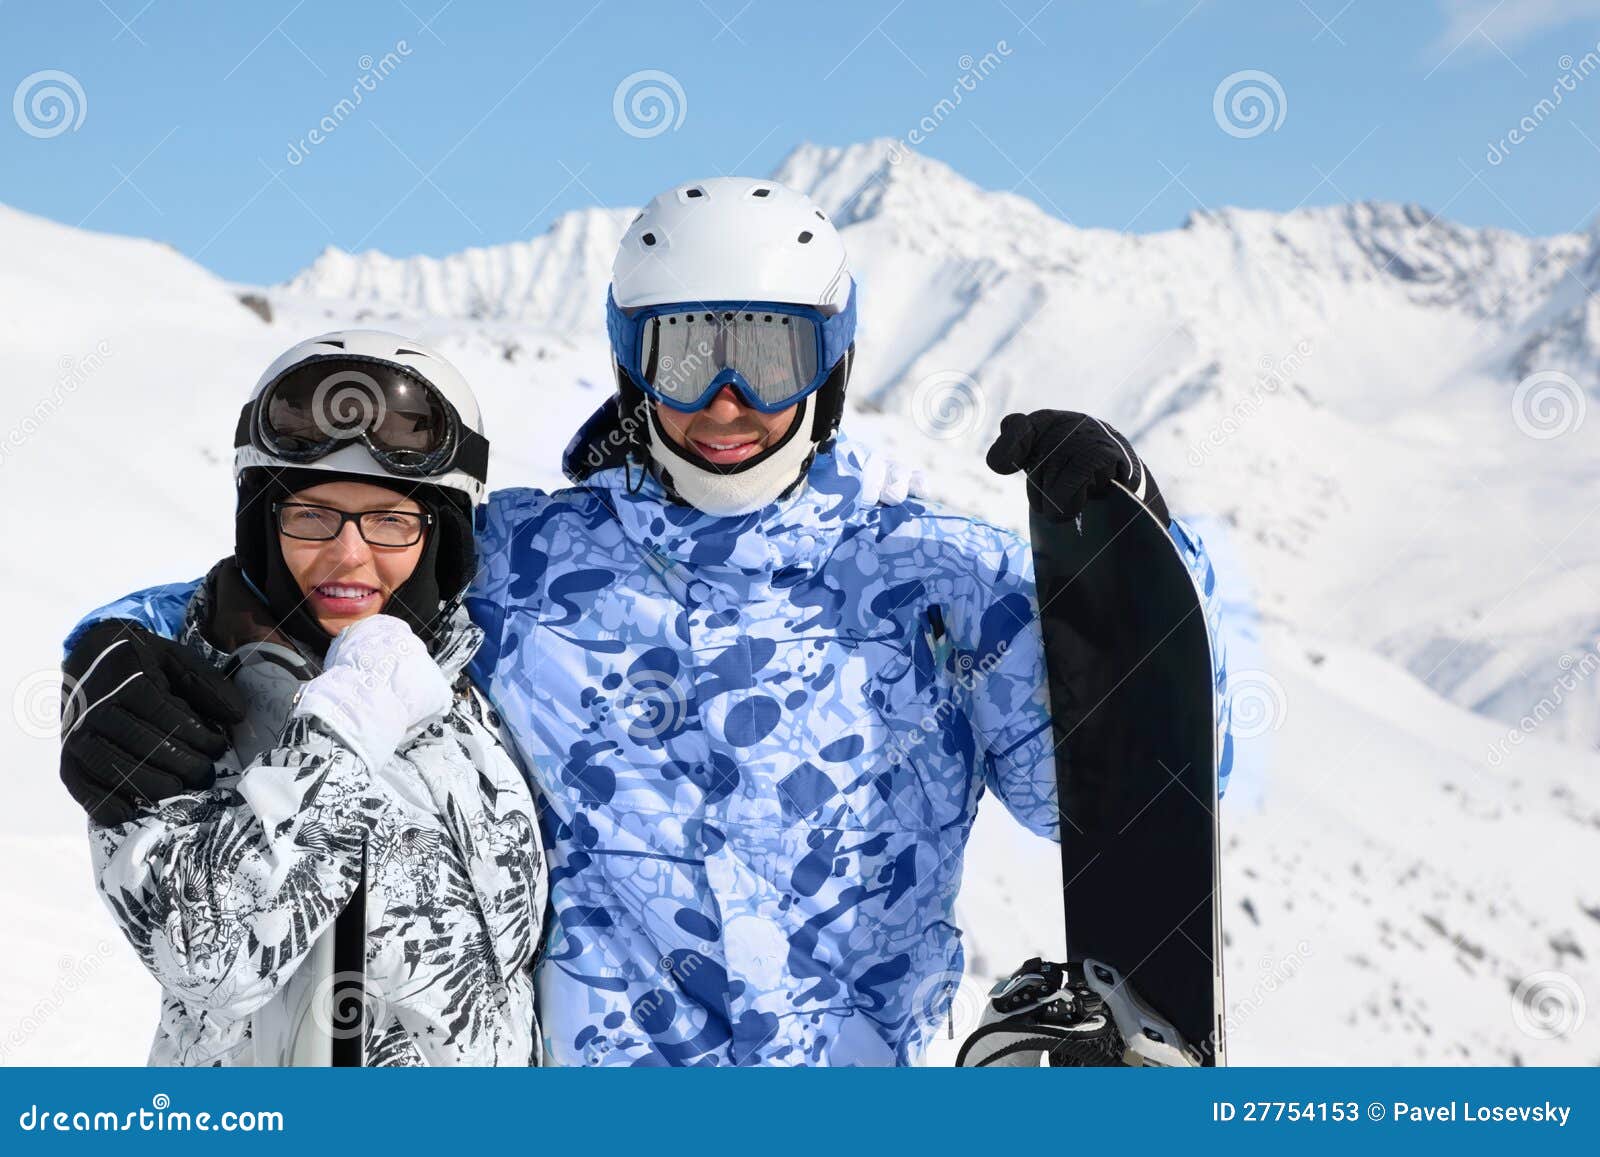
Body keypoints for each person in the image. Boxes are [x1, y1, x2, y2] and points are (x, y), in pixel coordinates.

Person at [61, 176, 1231, 1067]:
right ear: (633, 361)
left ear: (830, 360)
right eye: (687, 353)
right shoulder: (527, 559)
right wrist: (119, 646)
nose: (728, 400)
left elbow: (1126, 796)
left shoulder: (941, 581)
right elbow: (326, 572)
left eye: (768, 354)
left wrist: (1132, 584)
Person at [59, 332, 546, 1065]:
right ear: (265, 526)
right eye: (312, 514)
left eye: (390, 519)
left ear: (438, 537)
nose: (349, 554)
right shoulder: (169, 708)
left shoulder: (471, 691)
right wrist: (344, 726)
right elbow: (210, 960)